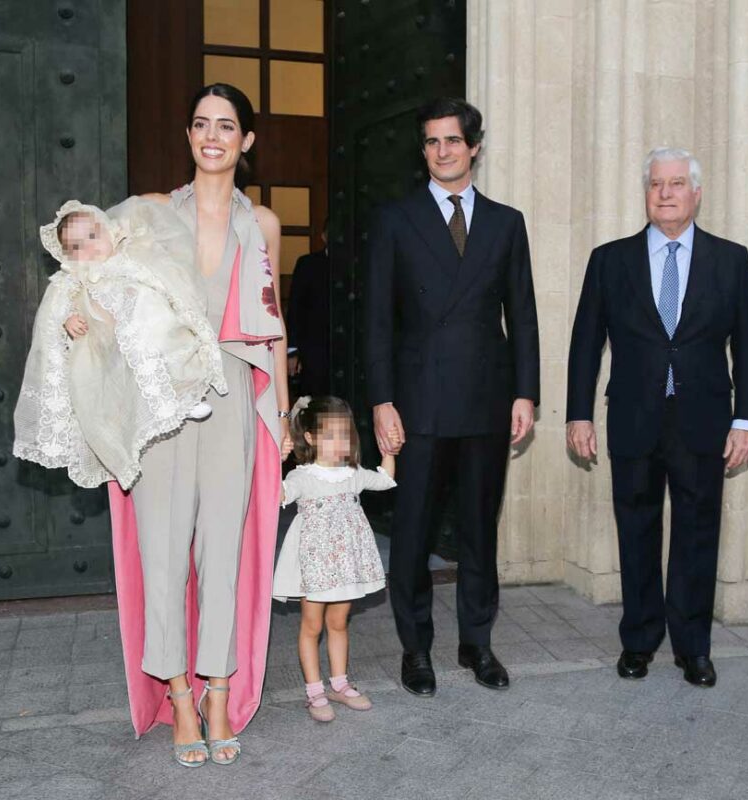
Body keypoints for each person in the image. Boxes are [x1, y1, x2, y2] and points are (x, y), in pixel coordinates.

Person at [101, 83, 291, 767]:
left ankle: (218, 692)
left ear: (247, 142)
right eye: (201, 124)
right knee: (163, 549)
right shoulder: (150, 214)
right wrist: (81, 318)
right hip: (162, 401)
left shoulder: (261, 223)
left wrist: (283, 413)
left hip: (237, 395)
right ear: (189, 137)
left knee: (224, 552)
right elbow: (87, 262)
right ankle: (177, 696)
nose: (213, 136)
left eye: (227, 126)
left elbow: (272, 323)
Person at [565, 146, 748, 689]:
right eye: (657, 184)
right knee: (636, 529)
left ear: (696, 193)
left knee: (699, 533)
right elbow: (587, 341)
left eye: (677, 184)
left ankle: (693, 648)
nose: (666, 193)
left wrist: (746, 422)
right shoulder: (610, 260)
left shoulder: (730, 259)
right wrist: (578, 415)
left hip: (703, 421)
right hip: (633, 417)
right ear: (646, 193)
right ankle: (639, 640)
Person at [363, 97, 540, 697]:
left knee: (478, 532)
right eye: (432, 143)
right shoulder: (395, 219)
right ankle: (416, 649)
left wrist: (526, 392)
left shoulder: (506, 222)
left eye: (453, 141)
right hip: (418, 404)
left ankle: (477, 643)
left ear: (474, 147)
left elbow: (524, 315)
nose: (442, 152)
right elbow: (377, 322)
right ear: (425, 152)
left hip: (487, 402)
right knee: (412, 531)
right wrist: (382, 400)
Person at [13, 201, 225, 488]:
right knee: (91, 381)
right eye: (76, 247)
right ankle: (123, 424)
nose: (88, 248)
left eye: (92, 236)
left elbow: (165, 278)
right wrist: (68, 319)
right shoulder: (71, 280)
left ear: (109, 231)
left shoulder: (129, 255)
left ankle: (180, 394)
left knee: (160, 332)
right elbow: (54, 312)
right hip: (106, 348)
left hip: (149, 331)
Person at [272, 395, 394, 722]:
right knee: (312, 626)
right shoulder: (302, 476)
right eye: (328, 435)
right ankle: (314, 690)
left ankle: (339, 684)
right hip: (316, 569)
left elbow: (384, 481)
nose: (337, 442)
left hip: (345, 569)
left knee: (338, 623)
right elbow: (278, 495)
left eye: (343, 435)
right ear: (310, 438)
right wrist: (273, 457)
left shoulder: (352, 473)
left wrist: (389, 453)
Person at [284, 224, 331, 396]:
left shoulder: (358, 265)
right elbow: (295, 308)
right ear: (324, 237)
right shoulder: (307, 264)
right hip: (313, 350)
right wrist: (292, 351)